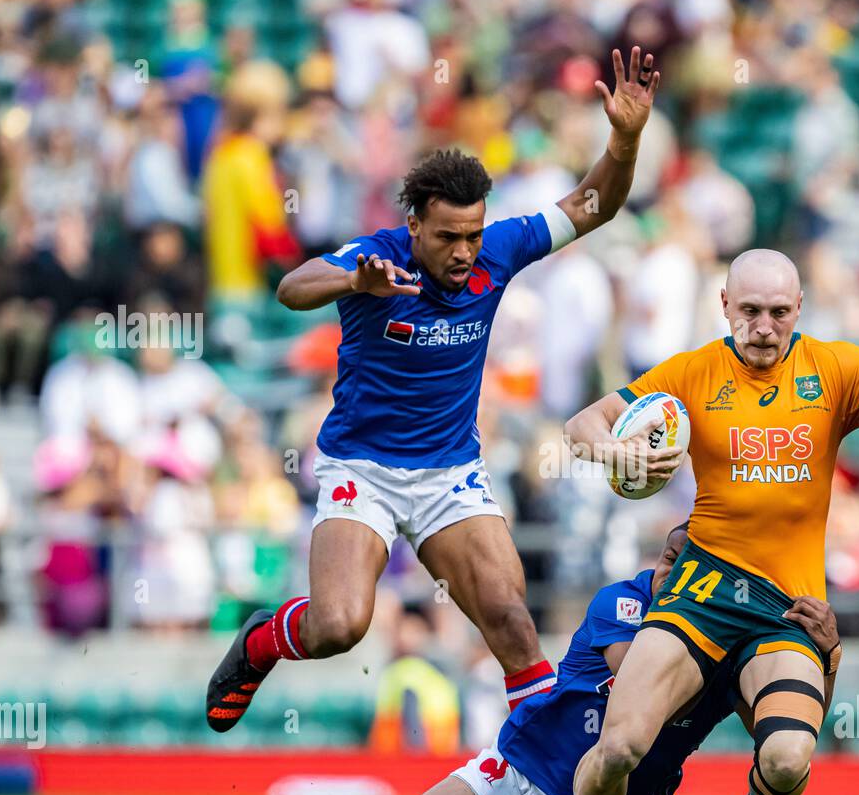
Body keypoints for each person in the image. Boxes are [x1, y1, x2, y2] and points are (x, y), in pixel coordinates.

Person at [205, 47, 663, 731]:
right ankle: (260, 642)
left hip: (451, 471)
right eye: (447, 236)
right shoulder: (377, 257)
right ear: (414, 224)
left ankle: (537, 788)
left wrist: (623, 140)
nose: (463, 251)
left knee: (512, 620)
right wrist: (352, 282)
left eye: (472, 235)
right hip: (362, 467)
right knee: (338, 624)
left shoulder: (499, 251)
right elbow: (290, 286)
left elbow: (593, 205)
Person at [536, 249, 859, 795]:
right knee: (620, 746)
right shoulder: (691, 372)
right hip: (700, 594)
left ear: (799, 310)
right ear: (725, 307)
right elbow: (580, 424)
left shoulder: (835, 368)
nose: (763, 326)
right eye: (749, 311)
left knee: (790, 758)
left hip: (785, 610)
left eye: (777, 312)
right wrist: (615, 449)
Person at [220, 526, 842, 795]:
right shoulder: (623, 602)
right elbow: (640, 684)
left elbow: (785, 732)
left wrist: (824, 659)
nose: (670, 574)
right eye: (668, 558)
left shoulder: (733, 650)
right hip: (516, 767)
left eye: (687, 567)